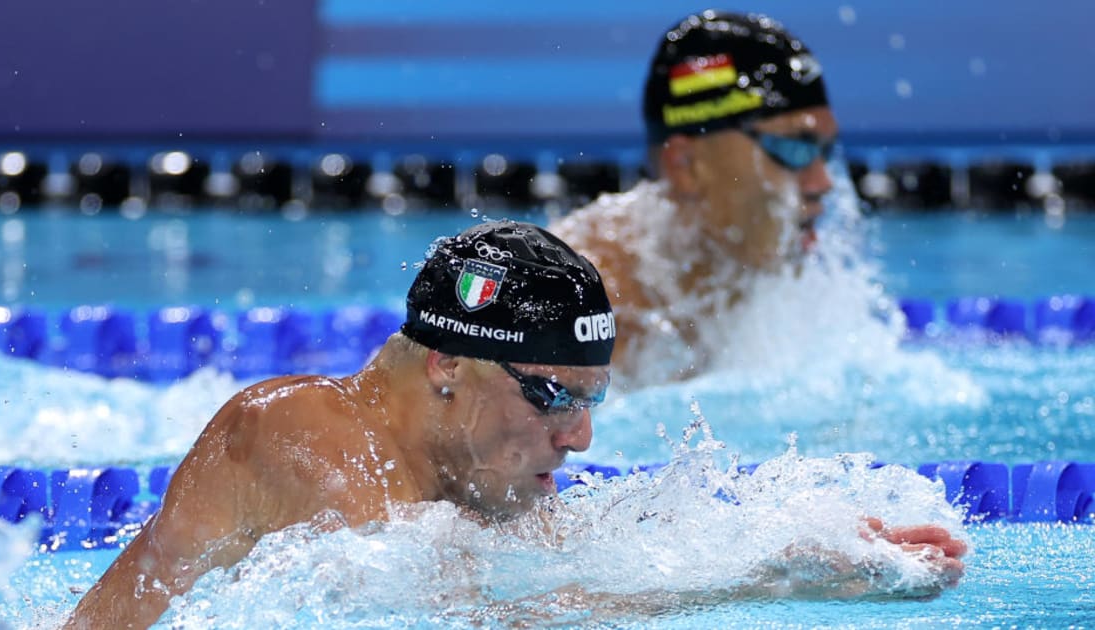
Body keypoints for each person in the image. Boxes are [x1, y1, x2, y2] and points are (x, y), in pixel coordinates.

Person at [64, 221, 964, 629]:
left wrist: (811, 543)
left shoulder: (474, 476)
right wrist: (768, 584)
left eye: (592, 399)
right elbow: (472, 614)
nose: (579, 440)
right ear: (449, 363)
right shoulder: (302, 431)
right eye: (551, 396)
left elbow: (583, 562)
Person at [552, 10, 841, 385]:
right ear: (686, 166)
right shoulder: (575, 308)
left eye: (825, 151)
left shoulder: (754, 279)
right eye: (794, 149)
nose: (823, 181)